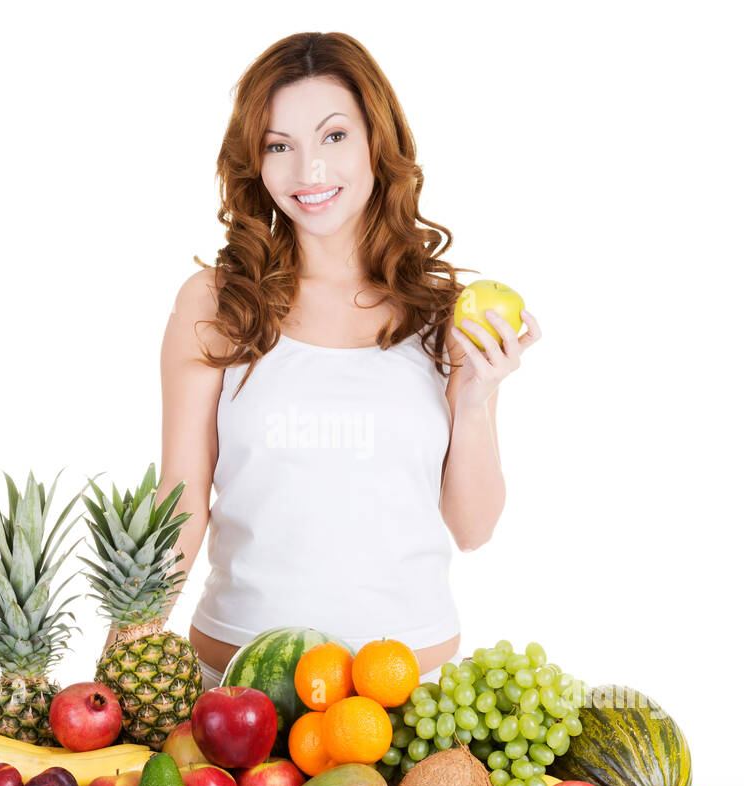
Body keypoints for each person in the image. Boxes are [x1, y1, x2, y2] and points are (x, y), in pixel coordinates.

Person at [140, 32, 538, 688]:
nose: (308, 172)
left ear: (377, 144)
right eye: (279, 146)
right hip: (237, 690)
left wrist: (475, 401)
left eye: (333, 137)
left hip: (407, 695)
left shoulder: (447, 313)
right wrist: (127, 647)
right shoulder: (215, 301)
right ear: (256, 163)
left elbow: (474, 527)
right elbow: (180, 499)